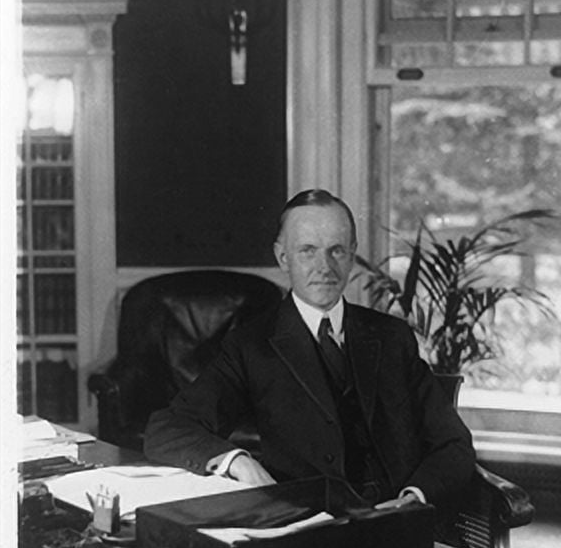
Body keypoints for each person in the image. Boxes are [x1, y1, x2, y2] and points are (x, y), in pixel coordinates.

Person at [143, 189, 475, 512]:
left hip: (396, 522)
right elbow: (167, 429)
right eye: (307, 251)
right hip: (308, 527)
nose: (324, 266)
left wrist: (414, 496)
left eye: (336, 251)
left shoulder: (392, 337)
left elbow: (453, 442)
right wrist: (239, 462)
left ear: (352, 254)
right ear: (283, 258)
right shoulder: (251, 345)